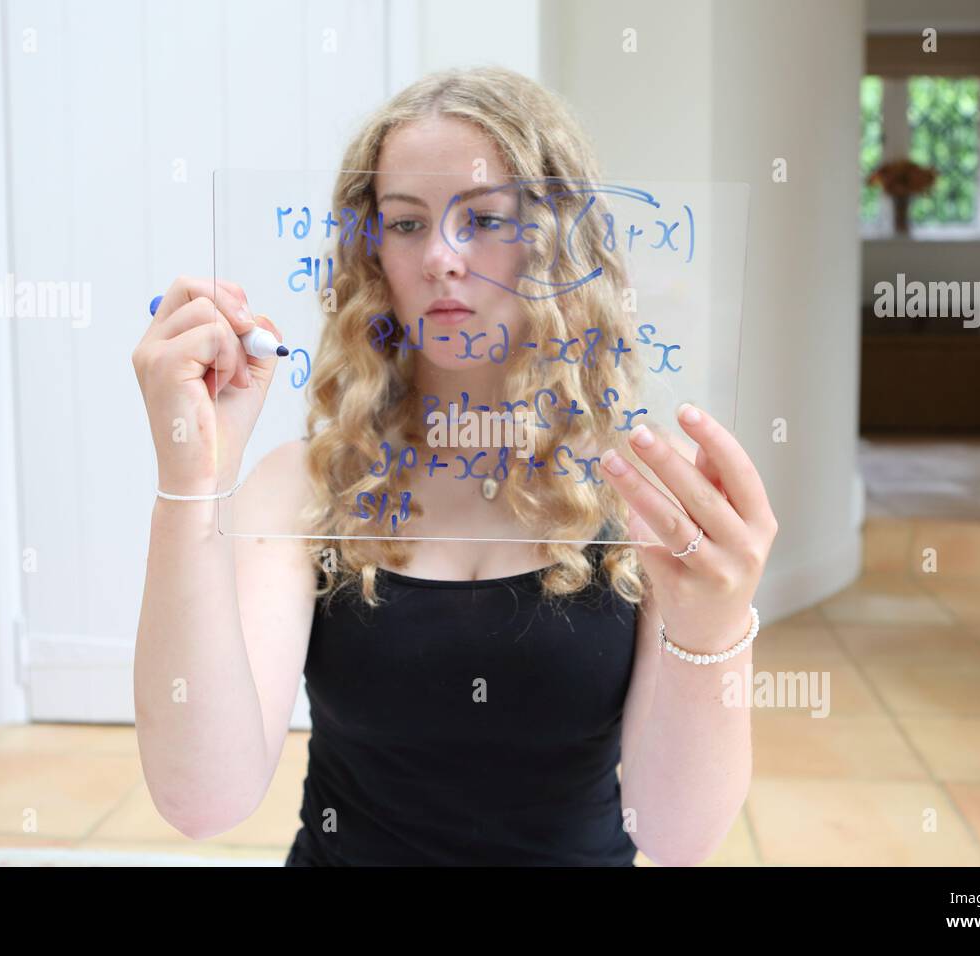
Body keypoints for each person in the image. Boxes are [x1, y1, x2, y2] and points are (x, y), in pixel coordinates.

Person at [131, 66, 778, 866]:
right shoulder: (302, 486)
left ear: (559, 241)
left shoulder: (647, 493)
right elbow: (203, 800)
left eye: (483, 218)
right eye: (405, 224)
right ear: (373, 255)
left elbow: (677, 840)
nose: (440, 255)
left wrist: (716, 624)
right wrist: (189, 486)